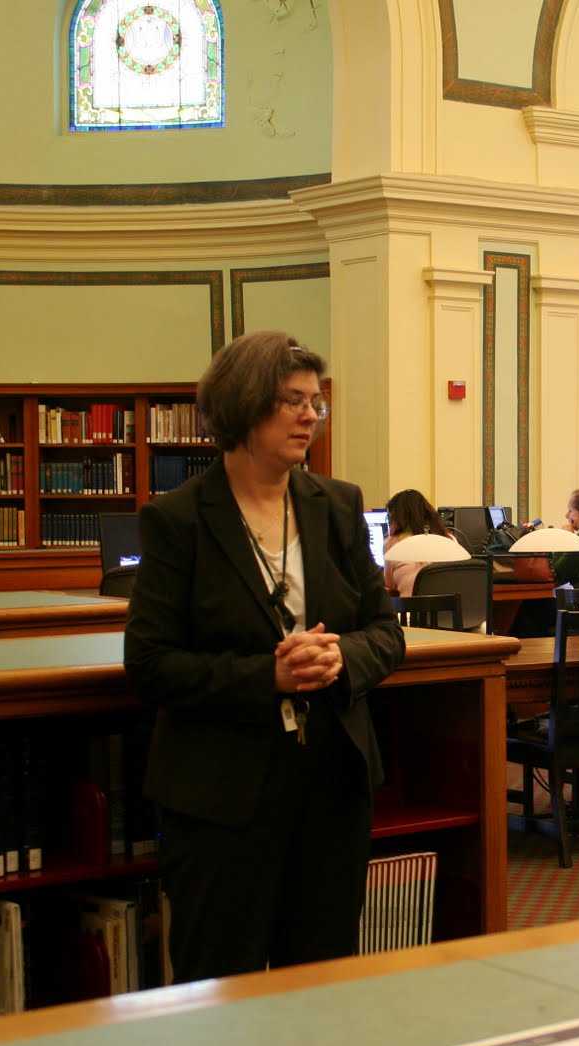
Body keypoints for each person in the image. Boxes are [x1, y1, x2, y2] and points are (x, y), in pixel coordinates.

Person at [123, 331, 406, 983]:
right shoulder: (178, 520)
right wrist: (268, 676)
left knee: (321, 982)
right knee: (224, 988)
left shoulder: (336, 506)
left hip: (331, 784)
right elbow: (151, 662)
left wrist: (341, 661)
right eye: (291, 401)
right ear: (245, 405)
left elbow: (384, 633)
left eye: (316, 402)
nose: (310, 414)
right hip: (223, 797)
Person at [383, 488, 451, 597]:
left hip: (412, 612)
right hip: (451, 613)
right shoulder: (450, 540)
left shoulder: (392, 543)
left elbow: (389, 584)